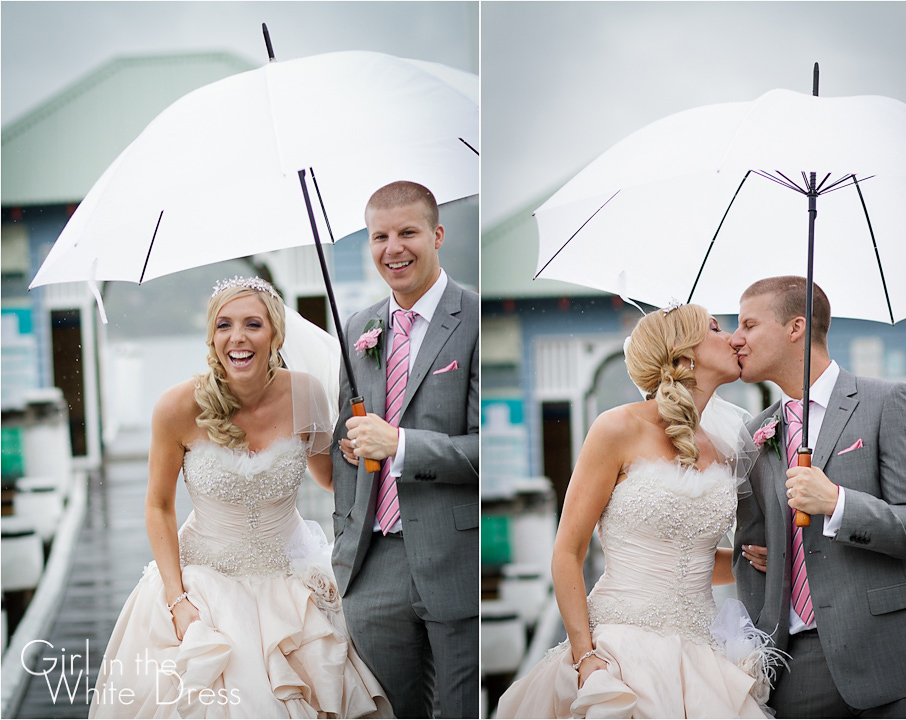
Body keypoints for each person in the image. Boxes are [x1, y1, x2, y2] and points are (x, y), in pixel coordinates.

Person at [88, 276, 392, 719]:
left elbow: (330, 480)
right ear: (212, 337)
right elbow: (157, 506)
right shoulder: (177, 408)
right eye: (225, 325)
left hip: (291, 579)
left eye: (253, 324)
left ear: (275, 334)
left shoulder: (305, 392)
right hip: (204, 583)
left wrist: (357, 446)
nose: (239, 337)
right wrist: (177, 601)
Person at [497, 303, 784, 719]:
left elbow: (697, 559)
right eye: (717, 329)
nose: (734, 338)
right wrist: (585, 658)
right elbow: (567, 553)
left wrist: (748, 560)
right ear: (685, 354)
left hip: (701, 650)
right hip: (621, 647)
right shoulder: (616, 428)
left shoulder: (728, 451)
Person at [730, 276, 906, 718]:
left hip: (891, 658)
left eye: (749, 325)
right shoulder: (753, 434)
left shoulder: (887, 402)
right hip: (794, 665)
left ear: (796, 327)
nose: (737, 339)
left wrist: (838, 502)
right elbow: (749, 551)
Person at [332, 181, 479, 718]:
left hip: (455, 556)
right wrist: (346, 533)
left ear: (437, 234)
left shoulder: (473, 319)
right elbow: (340, 447)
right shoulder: (357, 327)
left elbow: (487, 454)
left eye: (408, 232)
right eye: (380, 236)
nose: (393, 248)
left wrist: (399, 444)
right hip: (372, 565)